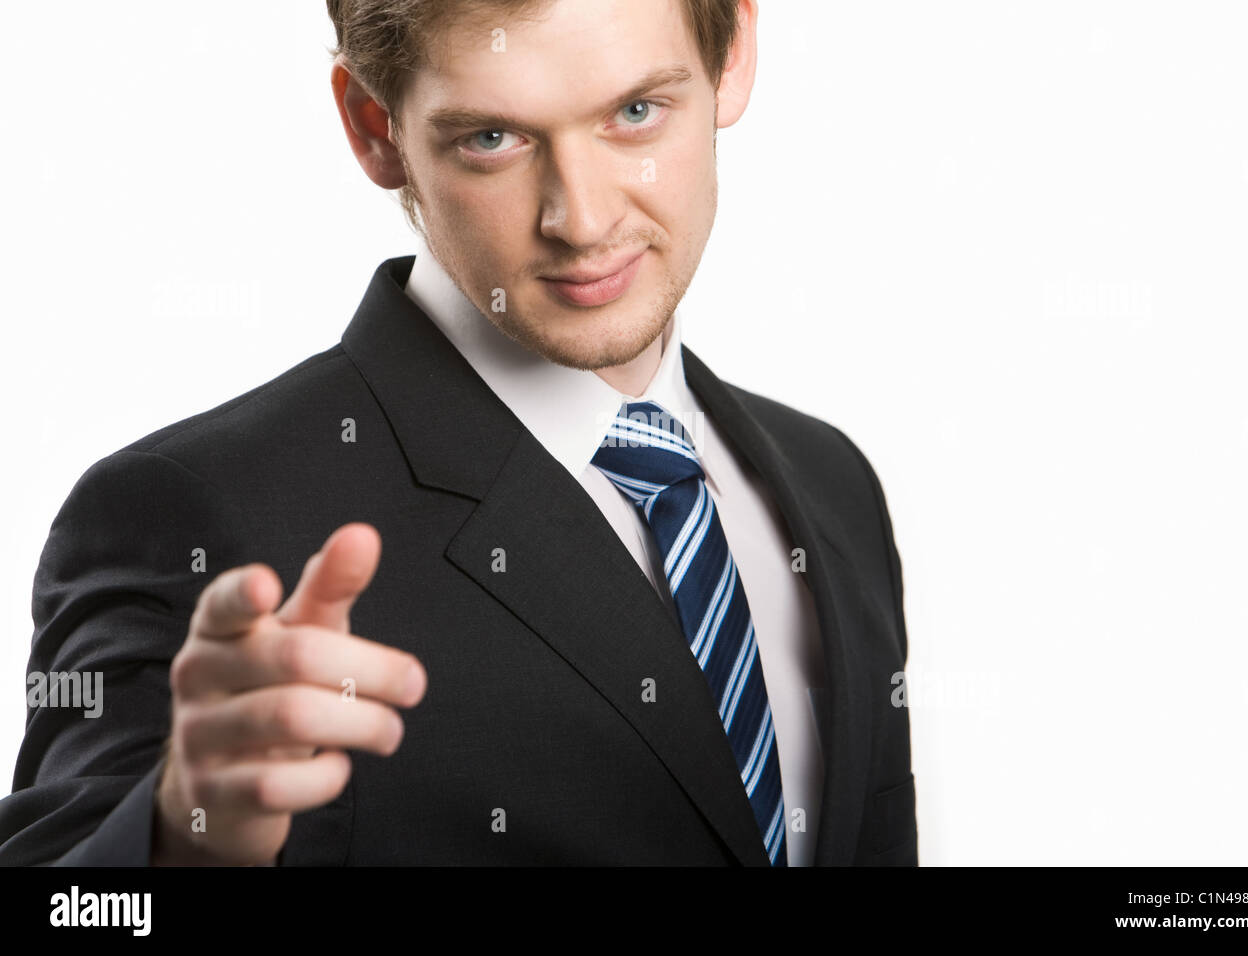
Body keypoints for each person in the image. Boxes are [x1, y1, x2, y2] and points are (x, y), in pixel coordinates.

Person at [0, 0, 915, 866]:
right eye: (493, 138)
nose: (583, 221)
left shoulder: (831, 485)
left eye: (636, 111)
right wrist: (180, 835)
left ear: (733, 54)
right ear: (373, 126)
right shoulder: (193, 514)